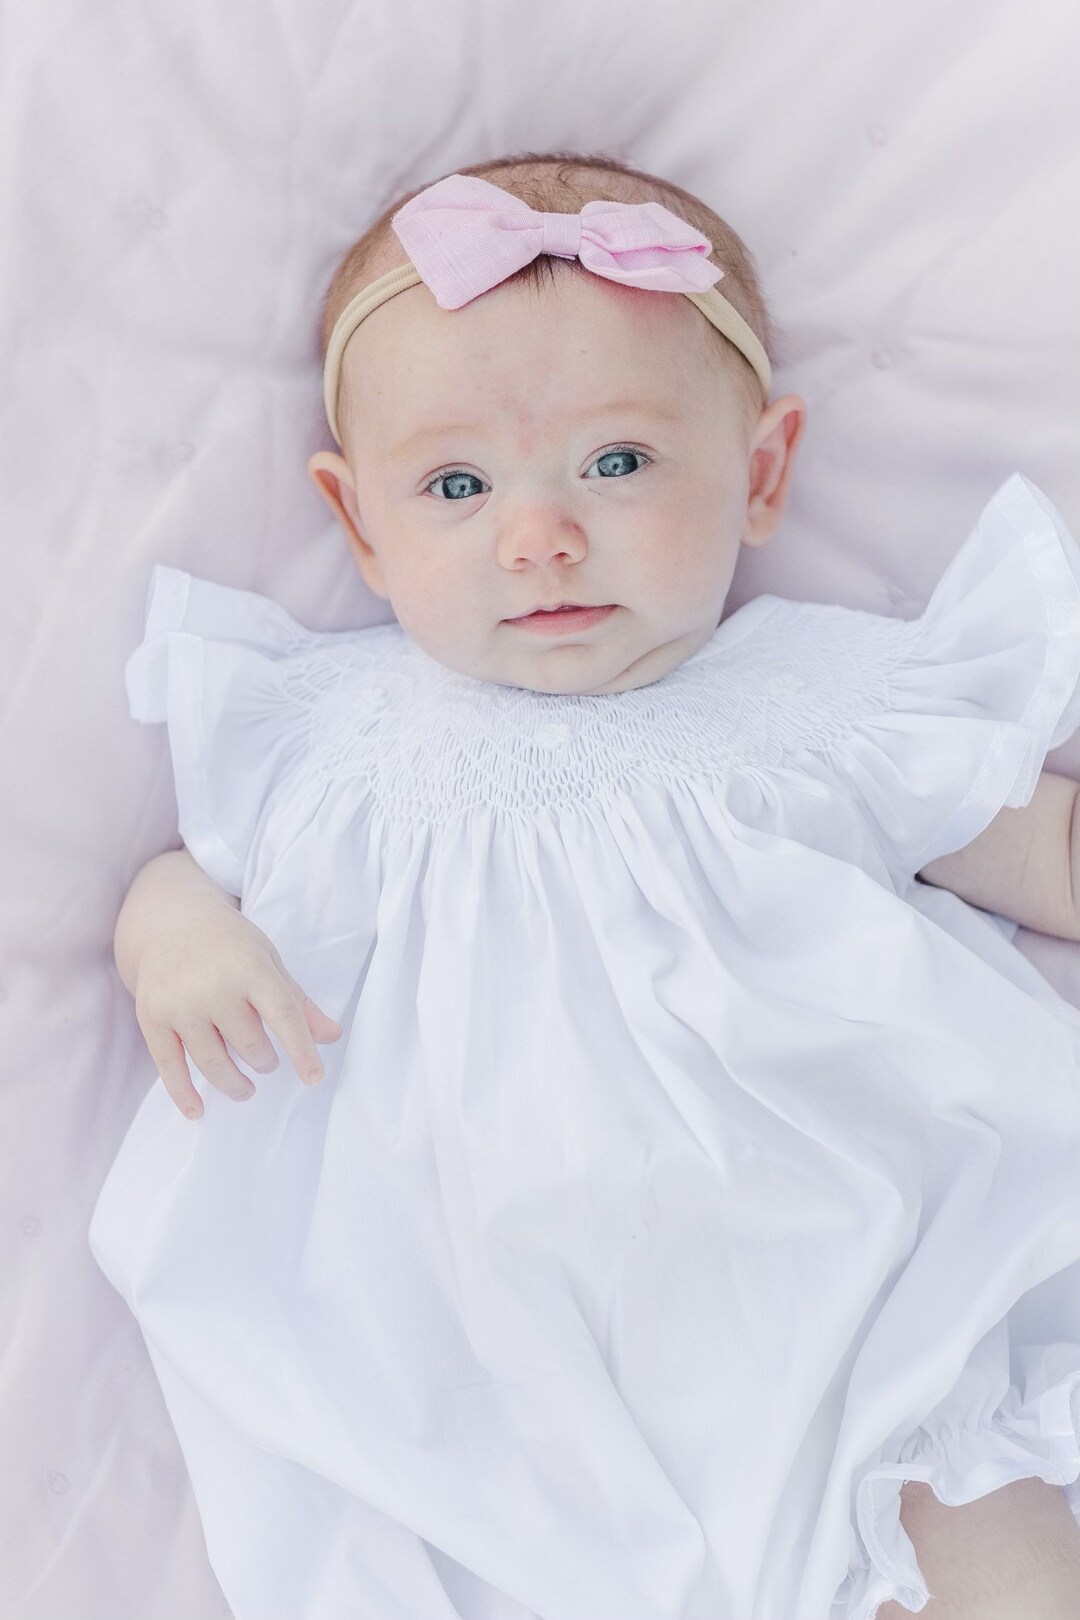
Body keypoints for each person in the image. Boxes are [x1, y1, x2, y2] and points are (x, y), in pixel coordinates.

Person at [89, 151, 1080, 1619]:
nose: (539, 533)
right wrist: (171, 939)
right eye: (456, 484)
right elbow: (184, 873)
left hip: (854, 1306)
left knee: (985, 1546)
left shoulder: (820, 696)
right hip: (491, 1364)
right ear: (356, 522)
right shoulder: (327, 736)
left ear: (760, 475)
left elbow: (1030, 844)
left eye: (618, 464)